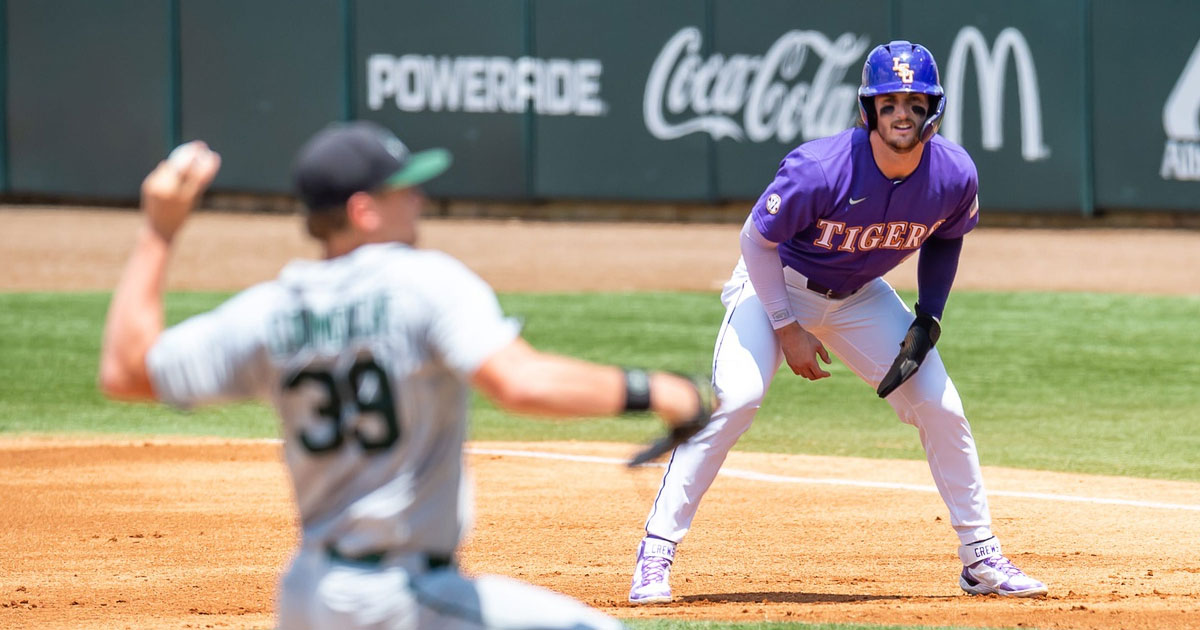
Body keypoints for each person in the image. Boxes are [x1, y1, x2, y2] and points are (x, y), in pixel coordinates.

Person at [98, 121, 712, 629]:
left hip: (308, 597)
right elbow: (519, 382)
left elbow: (126, 370)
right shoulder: (423, 281)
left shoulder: (272, 310)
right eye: (404, 189)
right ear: (364, 210)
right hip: (401, 600)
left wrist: (159, 228)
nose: (418, 200)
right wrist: (661, 390)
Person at [627, 40, 1047, 603]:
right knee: (737, 399)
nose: (903, 112)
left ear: (934, 108)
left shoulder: (953, 173)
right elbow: (756, 242)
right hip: (777, 285)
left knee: (942, 407)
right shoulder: (820, 167)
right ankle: (655, 555)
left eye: (915, 101)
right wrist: (785, 326)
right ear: (868, 109)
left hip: (859, 297)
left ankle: (981, 558)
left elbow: (946, 239)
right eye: (889, 101)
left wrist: (929, 320)